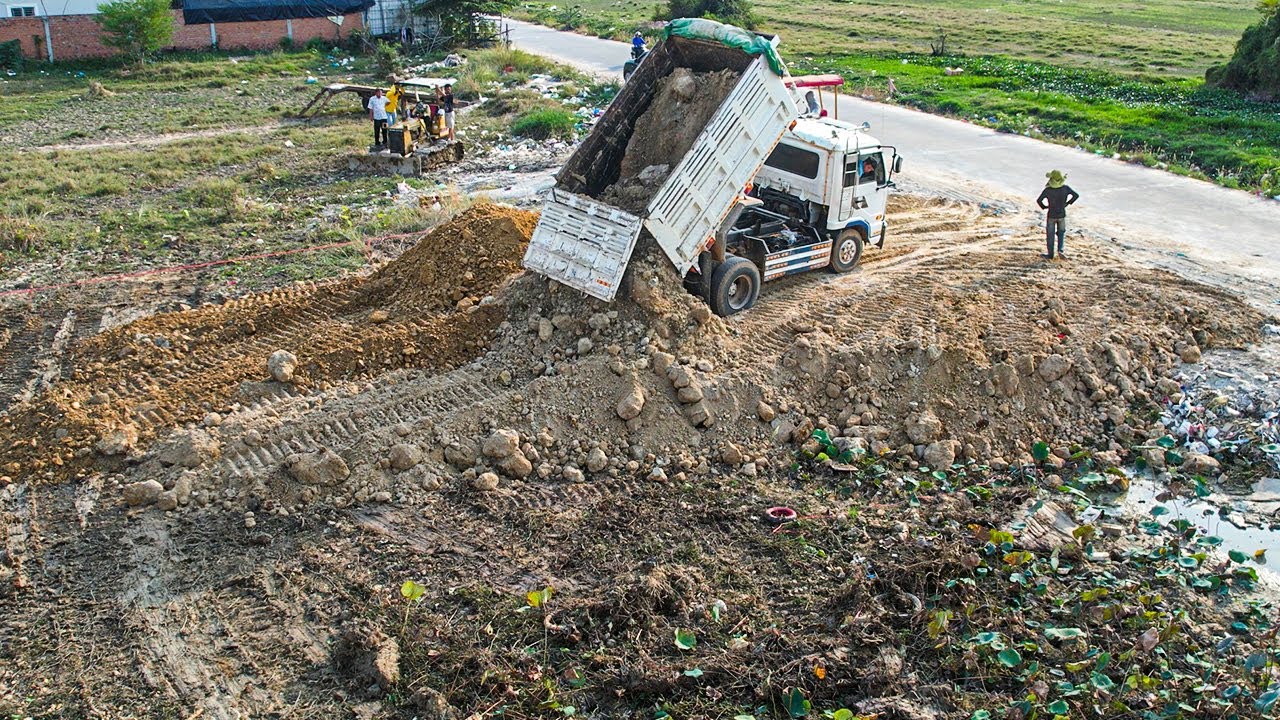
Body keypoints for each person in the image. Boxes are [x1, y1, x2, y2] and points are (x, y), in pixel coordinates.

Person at [1036, 169, 1079, 259]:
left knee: (1050, 235)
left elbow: (1039, 200)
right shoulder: (1065, 188)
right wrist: (1067, 203)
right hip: (1062, 215)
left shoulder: (1048, 190)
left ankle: (1050, 255)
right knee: (1061, 233)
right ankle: (1060, 250)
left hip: (1051, 215)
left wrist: (1045, 207)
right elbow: (1076, 195)